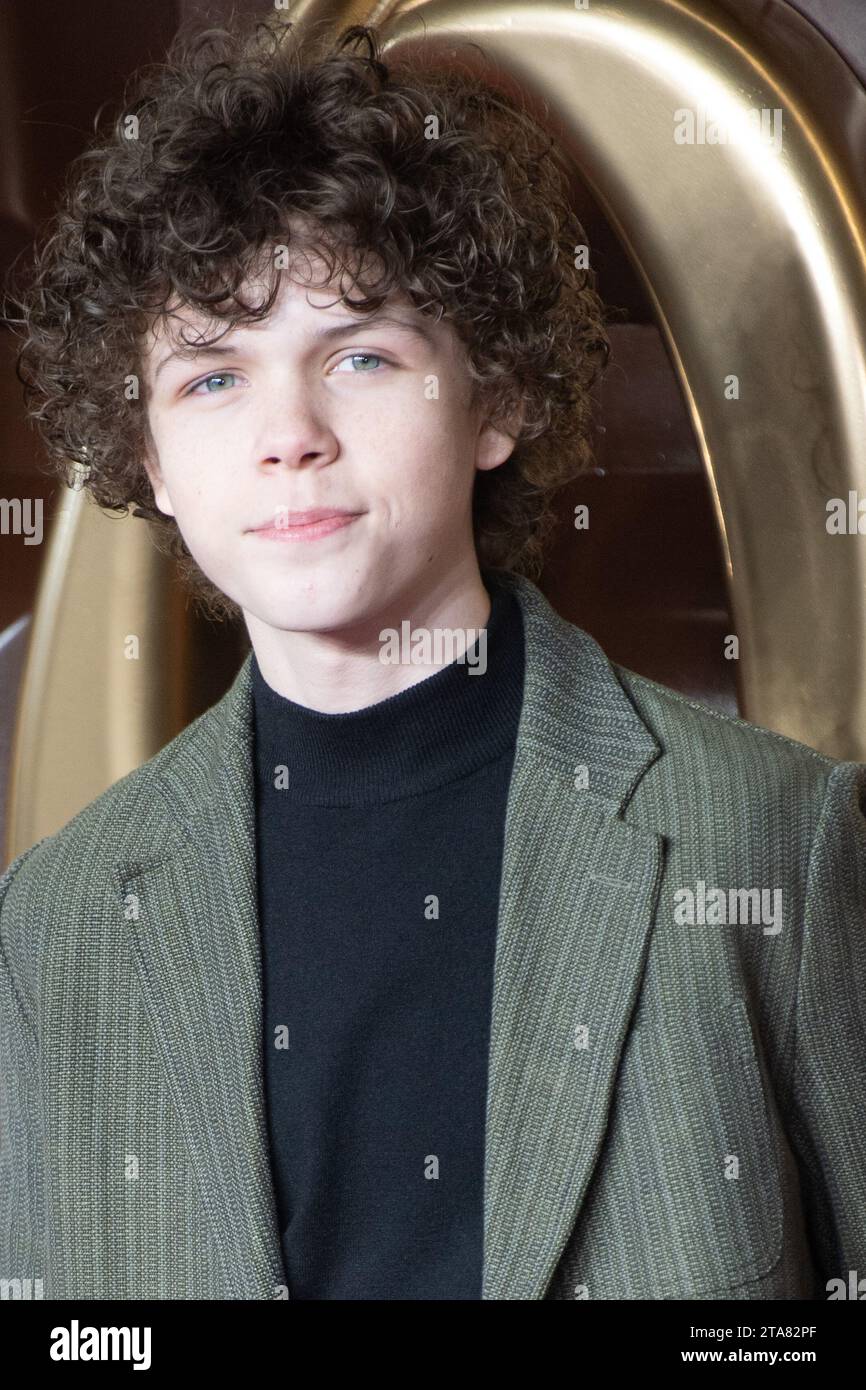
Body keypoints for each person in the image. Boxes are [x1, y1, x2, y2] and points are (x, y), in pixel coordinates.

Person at [1, 13, 864, 1302]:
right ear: (152, 461)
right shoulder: (52, 926)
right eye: (213, 379)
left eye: (358, 355)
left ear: (494, 399)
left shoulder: (772, 838)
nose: (289, 435)